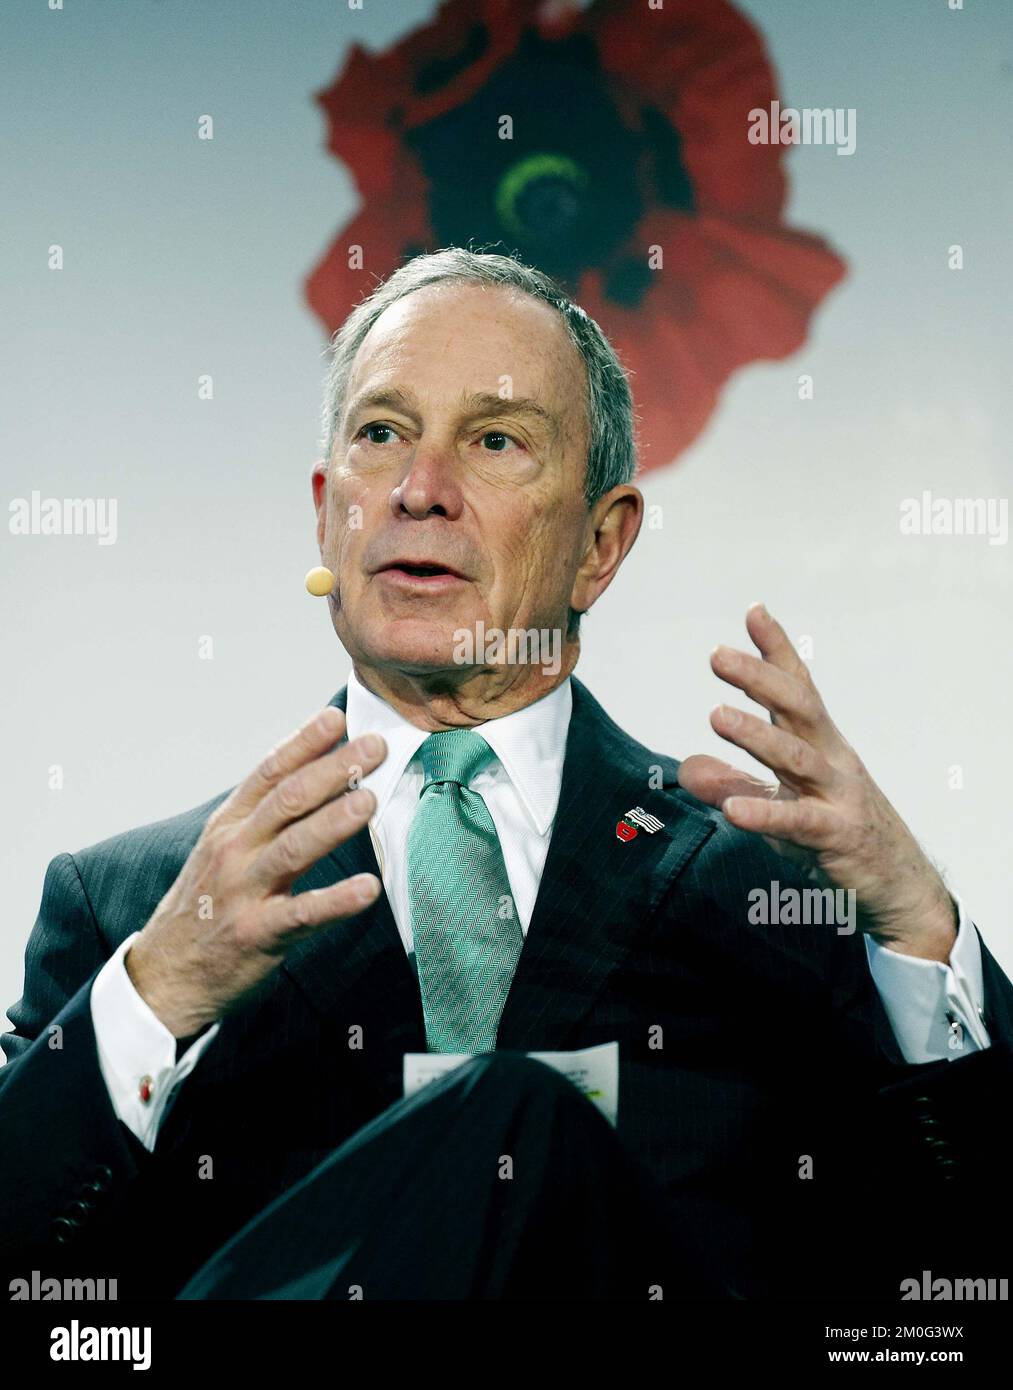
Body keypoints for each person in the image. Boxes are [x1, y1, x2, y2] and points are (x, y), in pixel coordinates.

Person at [3, 250, 1010, 1301]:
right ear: (324, 512)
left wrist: (914, 924)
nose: (418, 490)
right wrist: (155, 993)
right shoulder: (131, 908)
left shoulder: (767, 900)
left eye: (492, 441)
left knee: (515, 1114)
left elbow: (953, 1295)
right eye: (382, 434)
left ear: (598, 543)